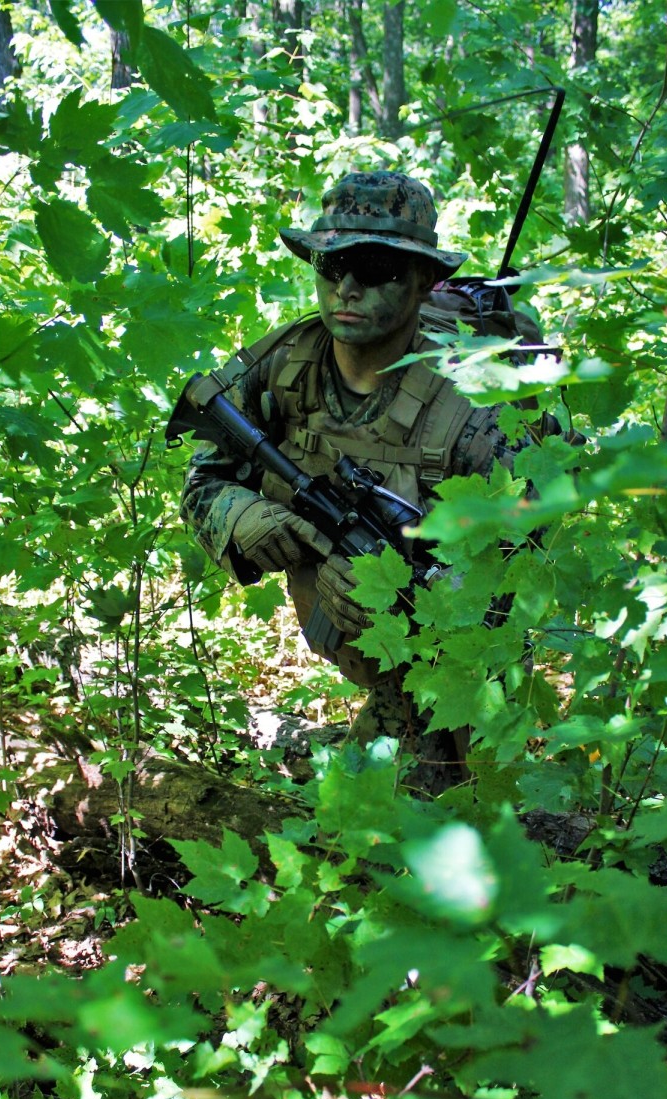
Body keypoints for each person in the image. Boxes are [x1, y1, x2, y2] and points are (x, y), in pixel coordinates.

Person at [180, 170, 530, 795]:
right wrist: (239, 516)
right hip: (348, 629)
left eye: (375, 269)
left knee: (462, 797)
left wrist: (407, 597)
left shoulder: (473, 400)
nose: (346, 287)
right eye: (331, 264)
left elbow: (525, 555)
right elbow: (204, 477)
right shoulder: (283, 366)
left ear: (424, 281)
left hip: (457, 656)